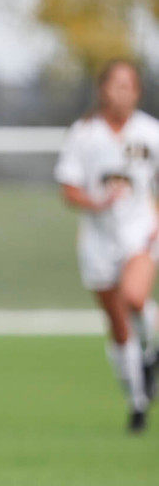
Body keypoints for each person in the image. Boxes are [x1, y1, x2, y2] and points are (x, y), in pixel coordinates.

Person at [55, 59, 159, 433]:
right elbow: (68, 188)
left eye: (128, 85)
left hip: (140, 231)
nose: (122, 92)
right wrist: (95, 202)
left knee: (133, 298)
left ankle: (151, 353)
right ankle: (137, 401)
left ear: (138, 91)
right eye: (115, 85)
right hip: (98, 239)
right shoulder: (84, 134)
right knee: (118, 325)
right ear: (103, 89)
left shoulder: (150, 131)